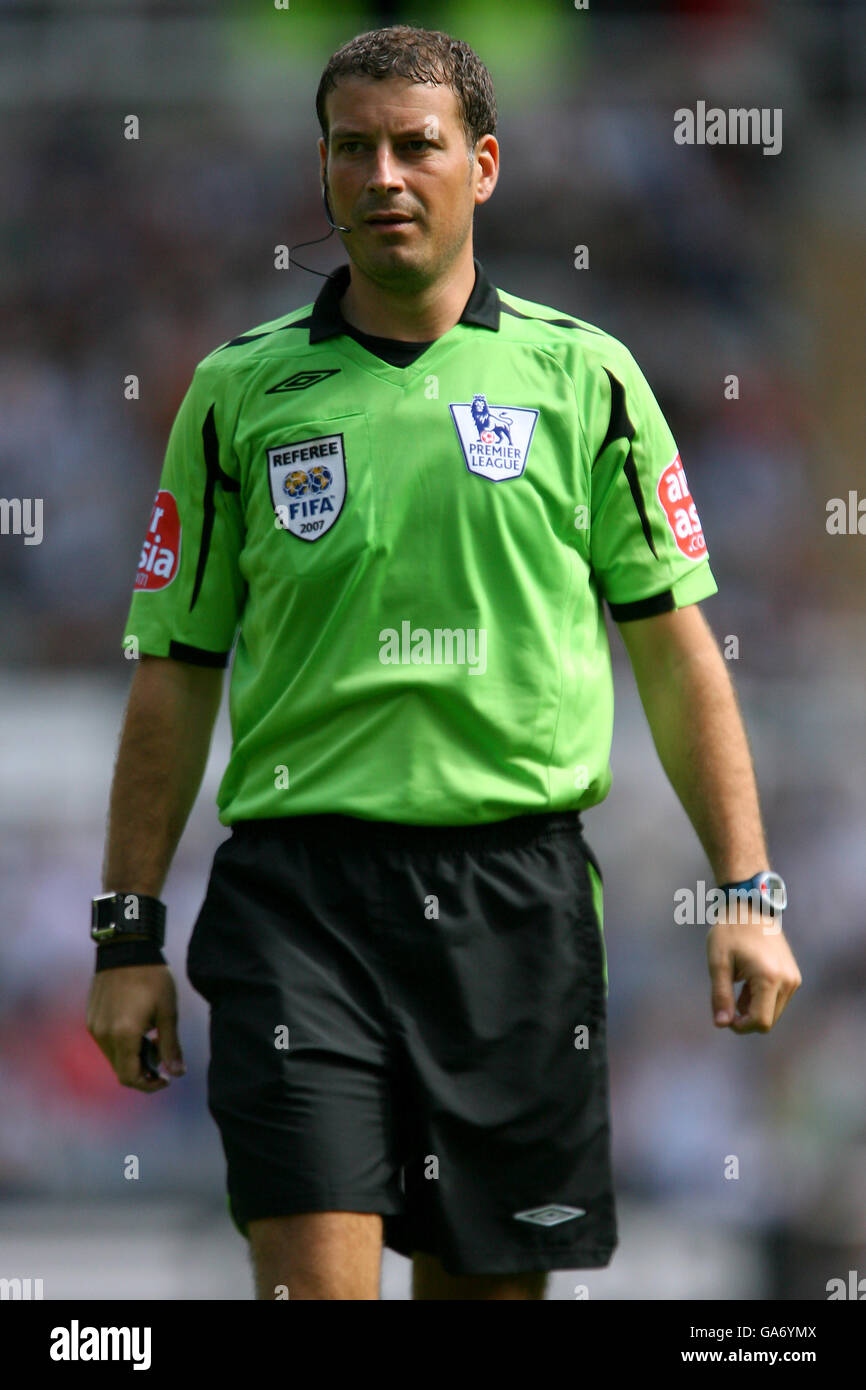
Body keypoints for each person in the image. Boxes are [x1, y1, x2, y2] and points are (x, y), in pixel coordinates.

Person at [86, 24, 802, 1301]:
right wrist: (125, 931)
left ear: (481, 165)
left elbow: (678, 651)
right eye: (352, 149)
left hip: (513, 905)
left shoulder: (584, 378)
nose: (383, 175)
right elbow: (175, 669)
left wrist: (746, 887)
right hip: (296, 903)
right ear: (321, 172)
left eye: (415, 146)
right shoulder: (237, 392)